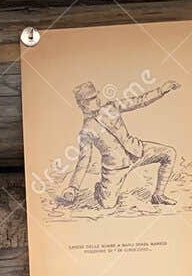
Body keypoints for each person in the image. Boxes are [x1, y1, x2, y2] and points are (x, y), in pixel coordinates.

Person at [58, 78, 181, 210]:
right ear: (82, 104)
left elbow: (140, 101)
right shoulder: (86, 132)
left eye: (96, 96)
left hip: (138, 151)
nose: (97, 99)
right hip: (115, 168)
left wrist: (161, 91)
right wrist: (73, 187)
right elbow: (83, 160)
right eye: (92, 98)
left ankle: (158, 195)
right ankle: (100, 190)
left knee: (169, 153)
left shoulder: (112, 107)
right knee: (108, 205)